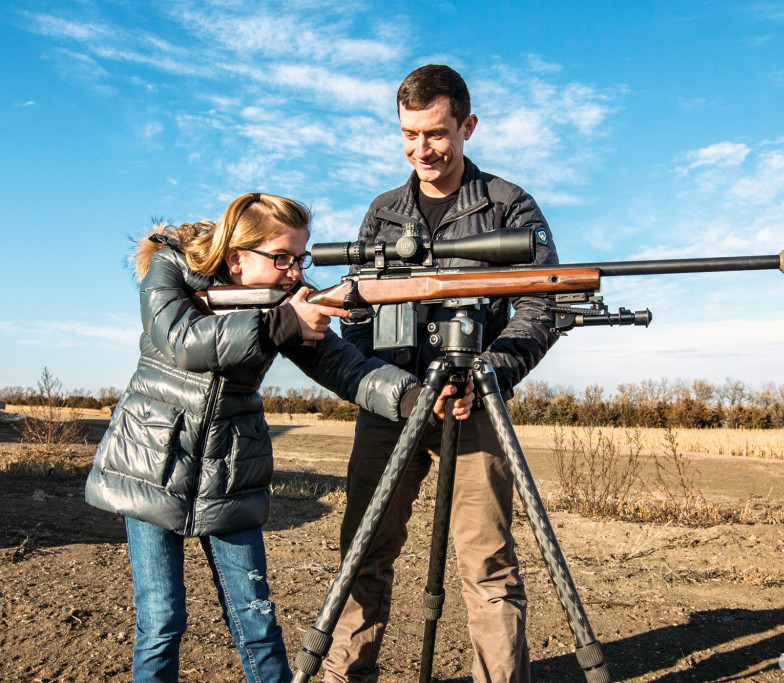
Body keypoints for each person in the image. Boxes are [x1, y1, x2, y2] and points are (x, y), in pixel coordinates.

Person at [84, 192, 473, 683]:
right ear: (236, 259)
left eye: (300, 259)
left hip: (232, 470)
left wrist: (415, 398)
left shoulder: (286, 302)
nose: (294, 273)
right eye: (282, 259)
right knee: (162, 621)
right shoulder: (171, 269)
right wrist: (281, 324)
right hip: (152, 464)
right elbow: (184, 342)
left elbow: (343, 366)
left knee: (257, 620)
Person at [324, 65, 559, 683]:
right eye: (409, 135)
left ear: (467, 126)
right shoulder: (383, 212)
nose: (422, 149)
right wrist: (393, 390)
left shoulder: (508, 205)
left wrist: (489, 372)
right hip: (389, 409)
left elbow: (541, 303)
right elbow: (356, 312)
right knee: (362, 554)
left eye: (435, 133)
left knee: (488, 566)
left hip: (476, 406)